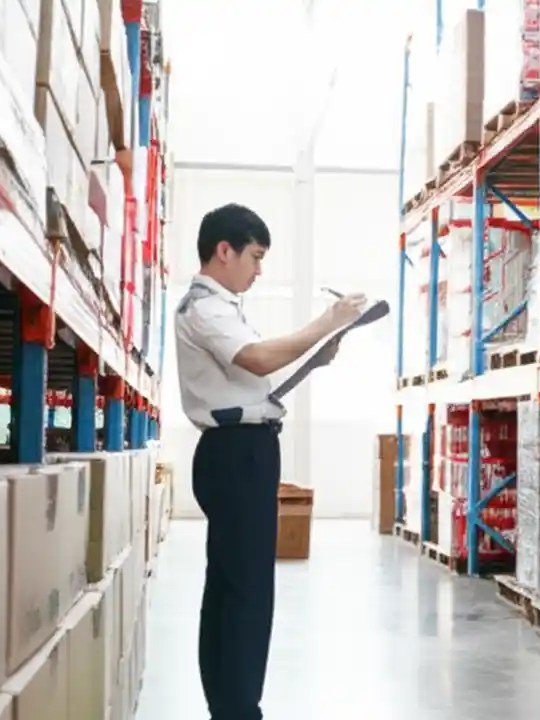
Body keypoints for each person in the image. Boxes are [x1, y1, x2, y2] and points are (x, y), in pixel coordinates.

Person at [174, 203, 365, 719]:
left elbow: (255, 380)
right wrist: (325, 321)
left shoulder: (221, 306)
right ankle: (238, 710)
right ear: (224, 251)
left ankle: (229, 706)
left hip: (241, 449)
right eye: (255, 257)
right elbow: (256, 358)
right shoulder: (204, 306)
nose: (259, 270)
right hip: (236, 454)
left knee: (234, 586)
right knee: (247, 593)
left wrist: (315, 352)